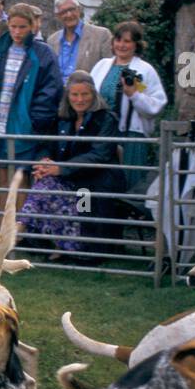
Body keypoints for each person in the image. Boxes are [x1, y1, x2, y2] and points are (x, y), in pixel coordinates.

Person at [21, 71, 125, 262]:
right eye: (74, 94)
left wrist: (61, 168)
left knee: (75, 197)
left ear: (94, 95)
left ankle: (24, 231)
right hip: (70, 179)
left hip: (94, 182)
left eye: (85, 94)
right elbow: (46, 145)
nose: (79, 99)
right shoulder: (63, 118)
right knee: (45, 182)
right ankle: (55, 242)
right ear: (67, 97)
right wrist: (43, 161)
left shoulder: (106, 118)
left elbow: (99, 155)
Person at [0, 2, 62, 200]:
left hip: (23, 127)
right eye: (13, 27)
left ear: (32, 27)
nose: (17, 32)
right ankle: (5, 227)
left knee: (20, 179)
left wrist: (34, 120)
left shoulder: (43, 54)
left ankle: (18, 227)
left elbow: (51, 92)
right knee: (3, 178)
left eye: (22, 27)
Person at [88, 20, 167, 175]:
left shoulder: (145, 70)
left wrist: (134, 95)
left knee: (129, 185)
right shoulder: (101, 65)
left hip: (131, 136)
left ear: (136, 45)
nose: (121, 45)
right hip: (100, 132)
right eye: (118, 40)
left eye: (127, 41)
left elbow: (157, 105)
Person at [47, 0, 113, 85]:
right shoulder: (52, 41)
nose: (69, 14)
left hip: (88, 94)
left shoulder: (101, 35)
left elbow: (110, 70)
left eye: (71, 9)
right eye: (63, 12)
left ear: (79, 10)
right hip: (58, 95)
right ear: (58, 16)